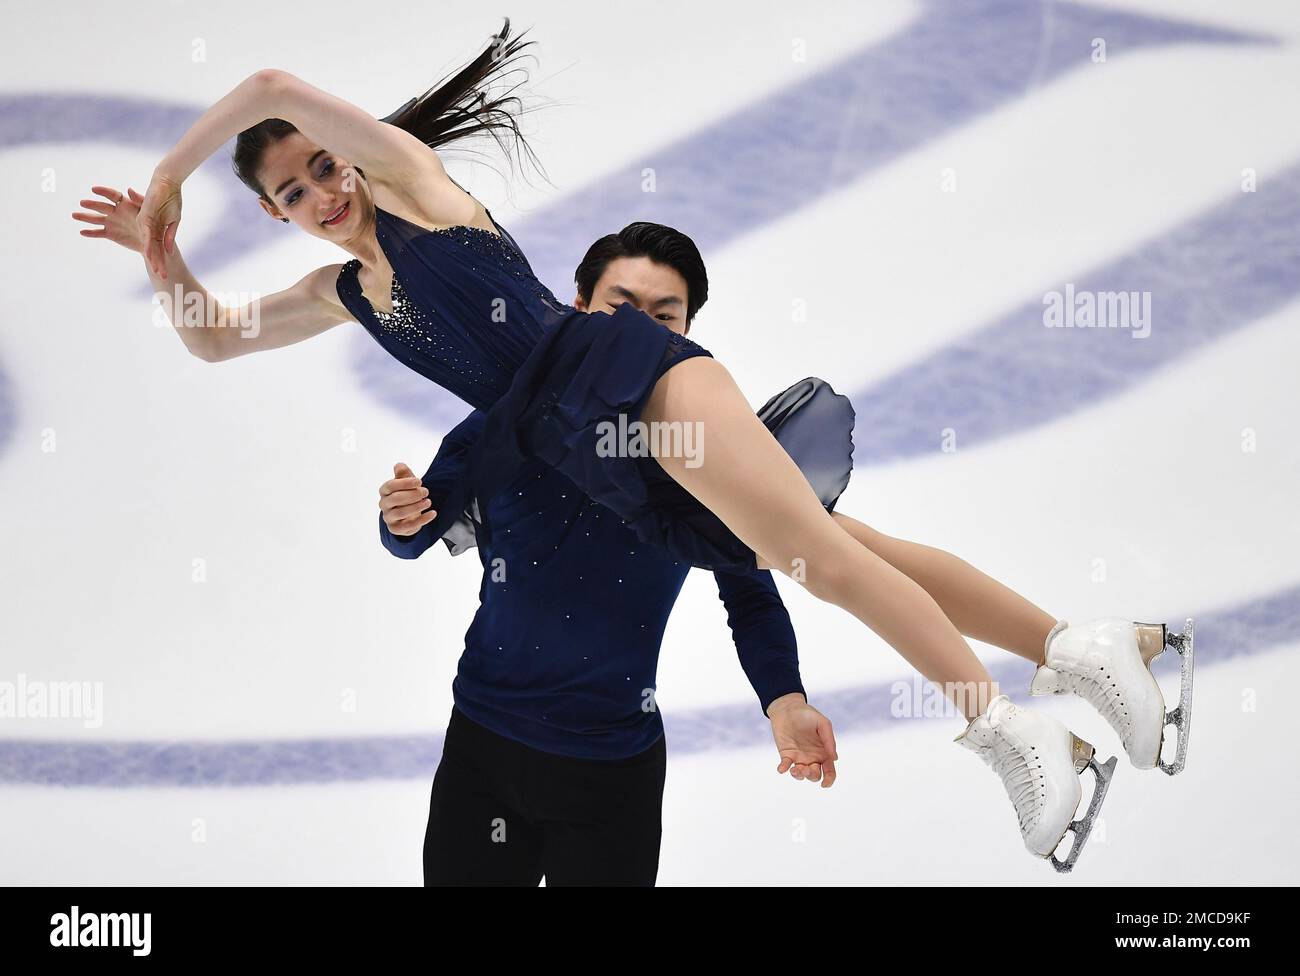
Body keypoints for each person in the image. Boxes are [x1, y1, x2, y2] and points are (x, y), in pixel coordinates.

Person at [77, 19, 1193, 872]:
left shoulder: (420, 189)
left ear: (355, 156)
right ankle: (1088, 654)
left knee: (825, 561)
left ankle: (1023, 740)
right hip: (590, 455)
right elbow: (215, 344)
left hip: (626, 375)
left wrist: (172, 171)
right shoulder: (340, 293)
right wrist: (160, 256)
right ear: (274, 216)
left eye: (323, 165)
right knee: (838, 546)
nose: (321, 190)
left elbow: (270, 84)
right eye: (293, 191)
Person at [378, 221, 837, 885]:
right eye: (620, 308)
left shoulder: (700, 461)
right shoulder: (505, 418)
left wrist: (784, 698)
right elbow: (417, 531)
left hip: (612, 783)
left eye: (663, 316)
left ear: (687, 333)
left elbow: (750, 587)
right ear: (578, 304)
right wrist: (399, 519)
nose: (639, 332)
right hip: (484, 756)